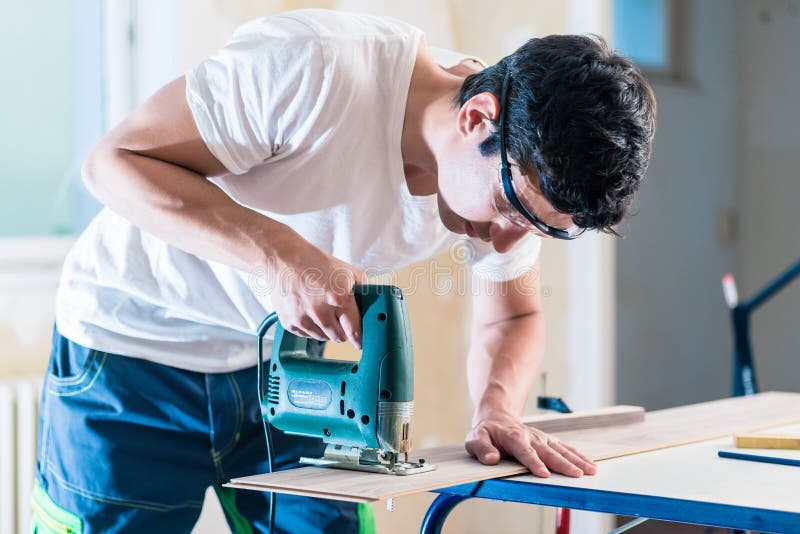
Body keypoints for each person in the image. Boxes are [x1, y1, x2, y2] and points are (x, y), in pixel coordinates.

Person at [32, 8, 655, 534]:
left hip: (280, 370)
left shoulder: (520, 162)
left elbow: (514, 312)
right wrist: (280, 255)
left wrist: (497, 409)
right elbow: (113, 163)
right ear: (476, 119)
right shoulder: (315, 69)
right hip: (129, 355)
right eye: (510, 209)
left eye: (540, 227)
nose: (505, 239)